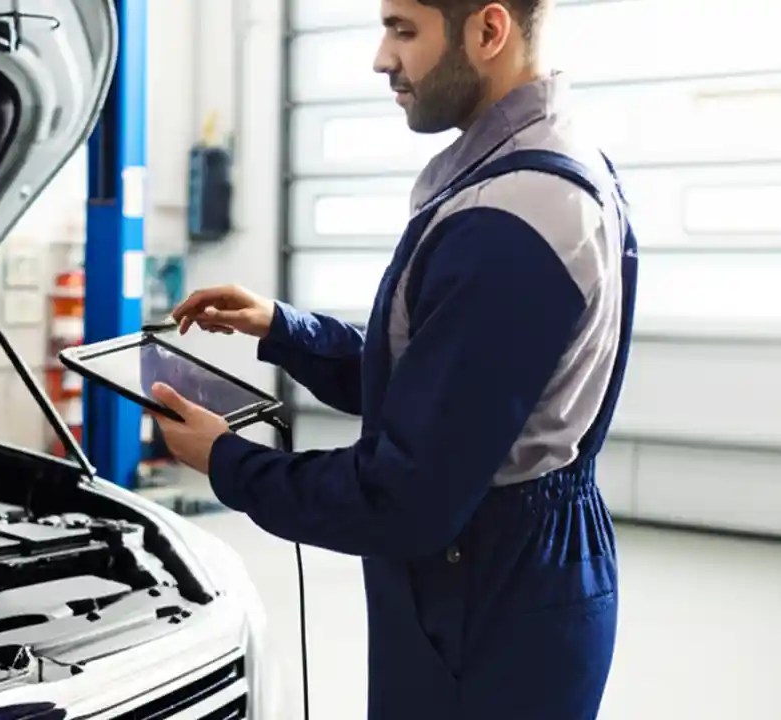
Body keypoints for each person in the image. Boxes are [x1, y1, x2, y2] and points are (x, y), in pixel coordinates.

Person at [150, 1, 639, 719]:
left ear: (488, 31)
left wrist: (229, 461)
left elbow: (404, 497)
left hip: (485, 593)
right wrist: (283, 328)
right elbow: (438, 386)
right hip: (506, 570)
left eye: (403, 29)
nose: (382, 58)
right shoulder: (545, 162)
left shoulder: (514, 217)